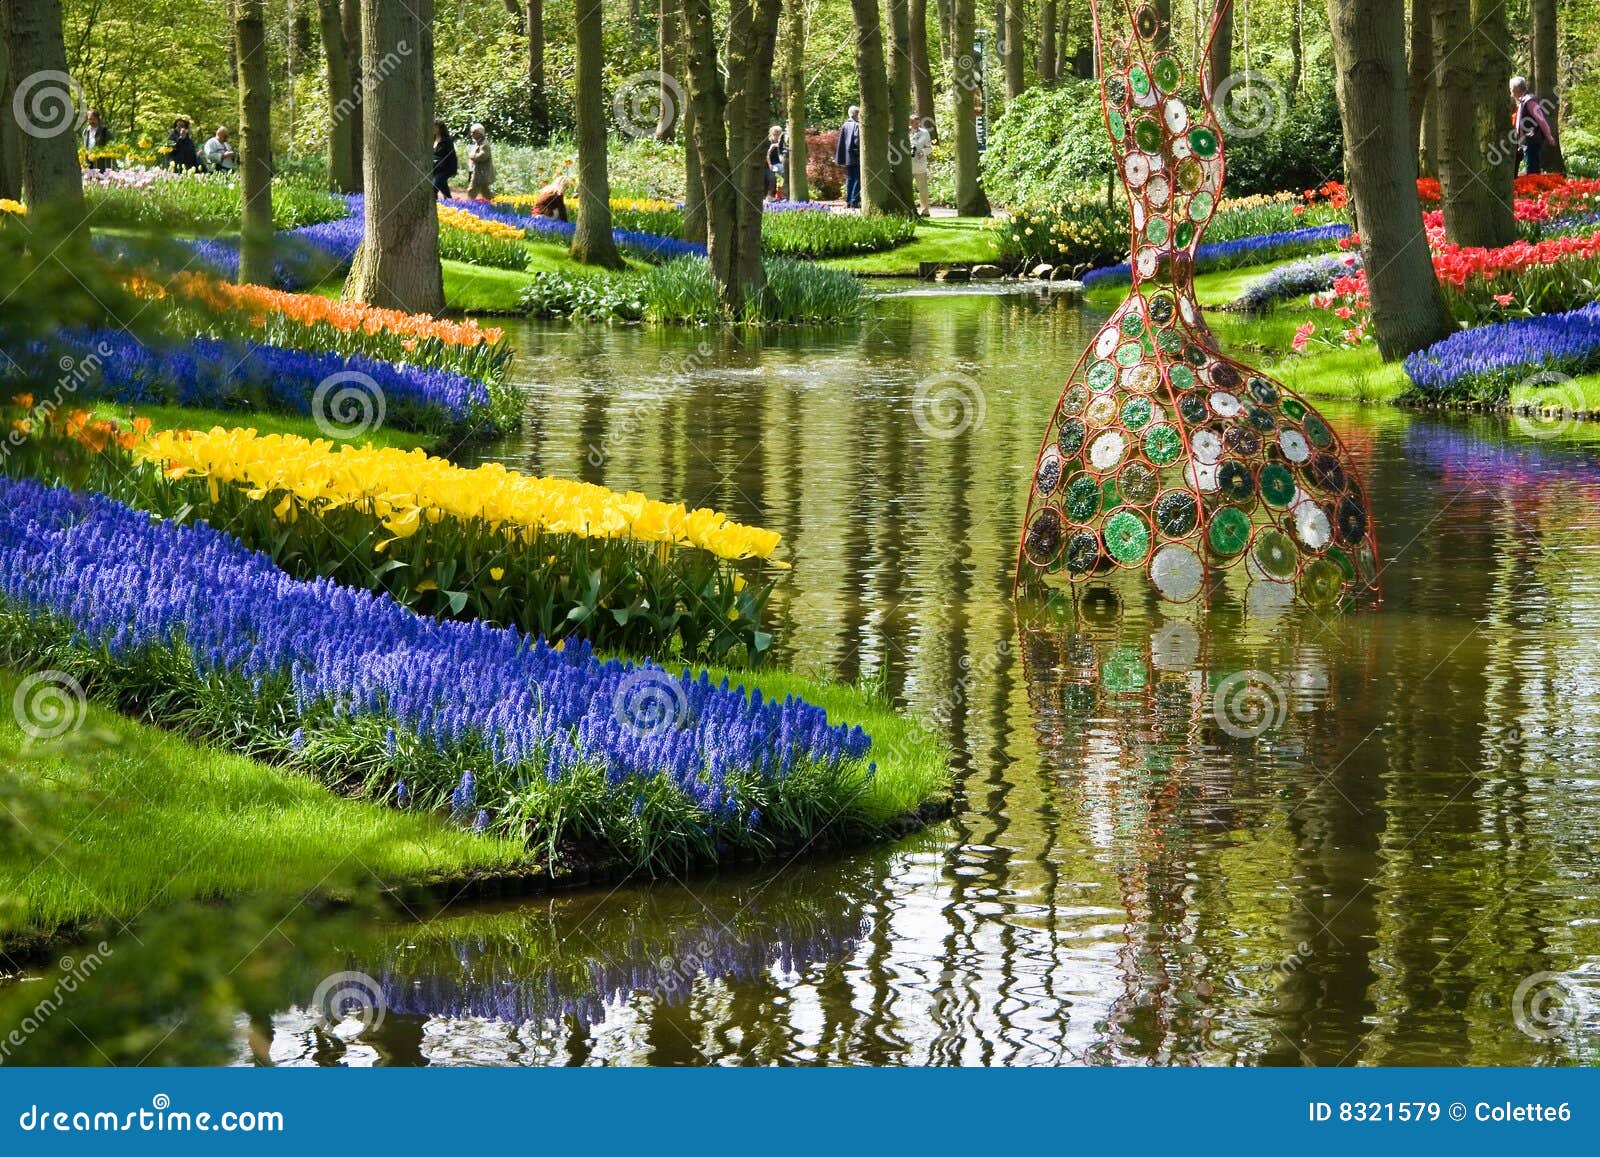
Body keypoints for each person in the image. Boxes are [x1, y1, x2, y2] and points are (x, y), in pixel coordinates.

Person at [1510, 76, 1557, 175]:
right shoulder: (1522, 102)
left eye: (1511, 88)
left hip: (1532, 139)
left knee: (1532, 168)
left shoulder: (1529, 101)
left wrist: (1549, 137)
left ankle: (1534, 188)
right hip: (1526, 140)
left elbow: (1541, 120)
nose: (1510, 91)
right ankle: (1531, 187)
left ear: (1517, 89)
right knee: (1530, 166)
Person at [835, 105, 861, 209]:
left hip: (847, 157)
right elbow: (857, 140)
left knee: (850, 178)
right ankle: (854, 201)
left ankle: (848, 201)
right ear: (856, 114)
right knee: (858, 179)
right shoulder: (857, 125)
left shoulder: (845, 125)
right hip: (856, 156)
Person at [909, 115, 934, 217]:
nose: (916, 124)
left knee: (922, 188)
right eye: (914, 123)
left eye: (918, 122)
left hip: (920, 164)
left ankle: (925, 210)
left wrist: (923, 152)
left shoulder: (924, 132)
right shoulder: (904, 132)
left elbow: (929, 147)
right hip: (907, 165)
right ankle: (908, 209)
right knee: (907, 188)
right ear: (909, 123)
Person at [465, 123, 495, 200]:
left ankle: (468, 205)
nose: (472, 134)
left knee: (472, 189)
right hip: (478, 171)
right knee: (485, 191)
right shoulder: (477, 142)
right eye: (471, 132)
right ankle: (495, 203)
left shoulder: (484, 144)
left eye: (474, 132)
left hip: (482, 172)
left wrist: (472, 156)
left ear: (480, 133)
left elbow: (482, 156)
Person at [431, 120, 459, 199]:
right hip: (434, 169)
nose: (432, 128)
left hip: (445, 169)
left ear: (440, 128)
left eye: (434, 127)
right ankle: (449, 203)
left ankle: (435, 204)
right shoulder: (431, 139)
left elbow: (452, 156)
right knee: (443, 187)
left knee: (433, 188)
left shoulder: (447, 140)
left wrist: (453, 170)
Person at [765, 125, 785, 202]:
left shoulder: (782, 143)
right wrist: (770, 164)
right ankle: (769, 196)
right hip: (770, 164)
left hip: (780, 164)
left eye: (778, 134)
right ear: (772, 133)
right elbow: (767, 155)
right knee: (772, 177)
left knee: (783, 176)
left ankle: (782, 195)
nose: (776, 136)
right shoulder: (769, 142)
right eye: (775, 134)